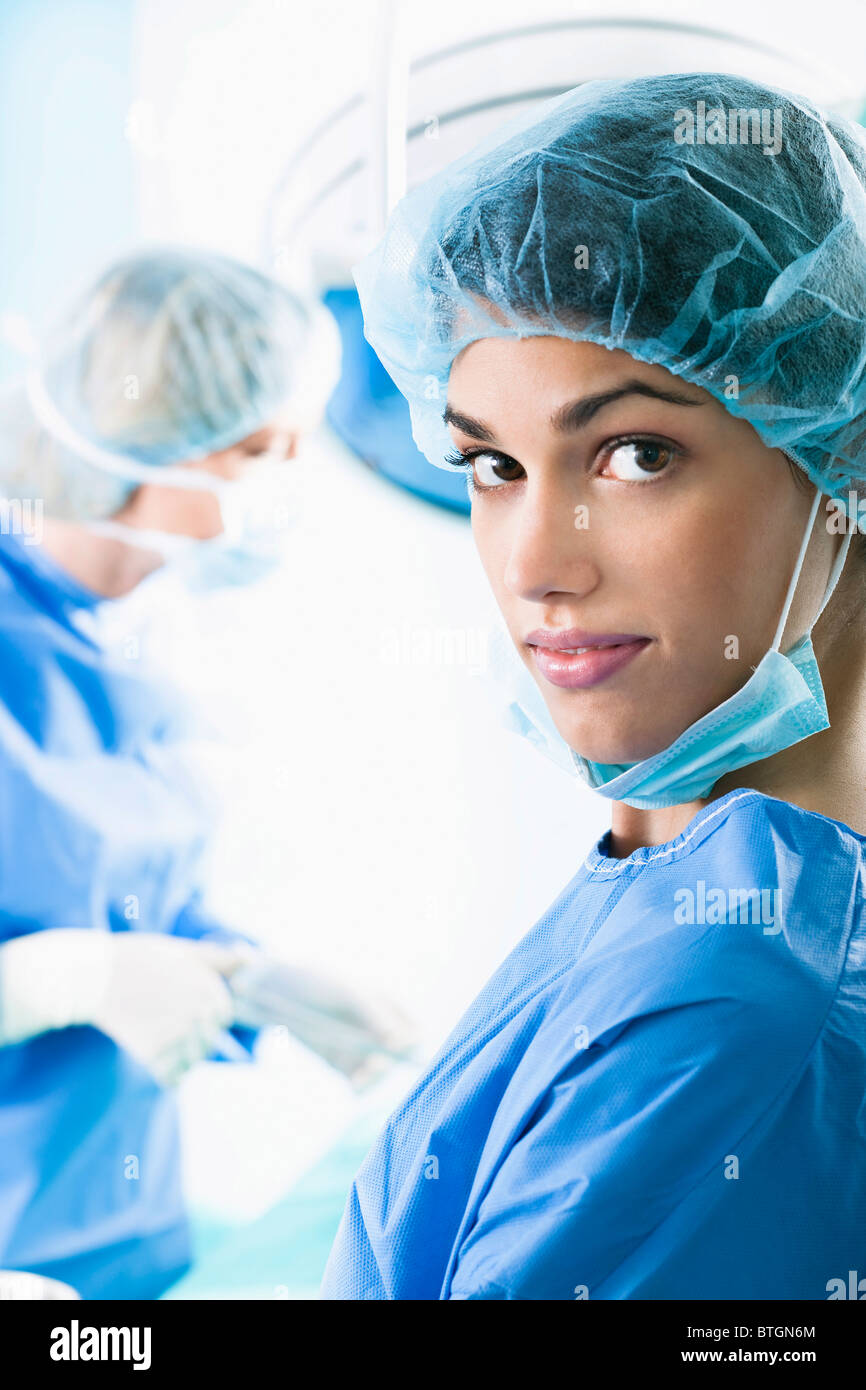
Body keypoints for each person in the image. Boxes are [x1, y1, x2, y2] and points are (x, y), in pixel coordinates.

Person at [321, 73, 866, 1300]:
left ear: (843, 455)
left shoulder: (743, 1007)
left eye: (632, 454)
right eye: (491, 464)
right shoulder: (679, 867)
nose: (534, 565)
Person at [0, 247, 412, 1300]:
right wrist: (57, 979)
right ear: (136, 442)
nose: (288, 482)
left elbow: (122, 902)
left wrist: (249, 980)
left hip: (127, 1229)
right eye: (257, 450)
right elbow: (72, 944)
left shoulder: (143, 635)